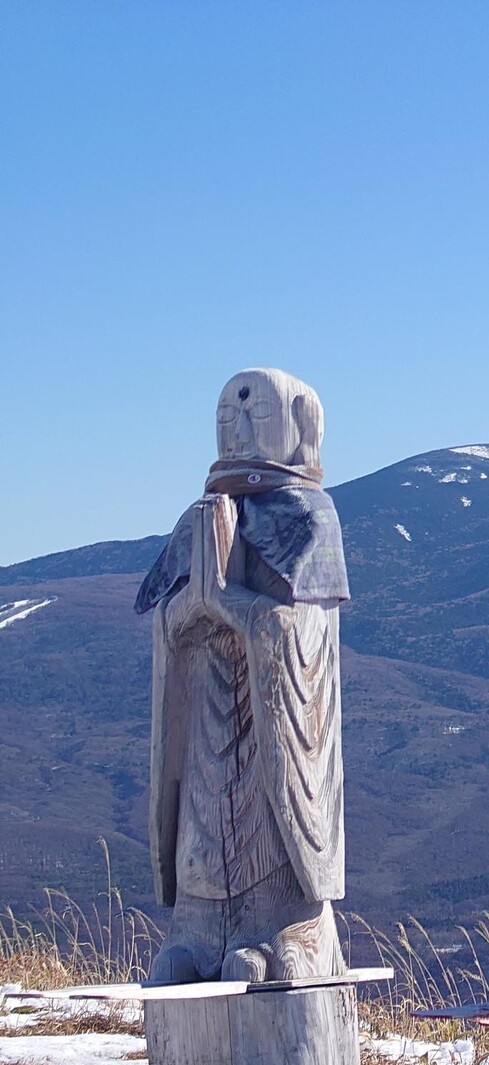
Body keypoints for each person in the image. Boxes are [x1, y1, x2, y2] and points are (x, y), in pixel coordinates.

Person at [135, 368, 349, 983]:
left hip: (271, 730)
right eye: (228, 411)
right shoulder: (199, 519)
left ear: (301, 427)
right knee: (205, 817)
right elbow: (168, 622)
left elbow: (303, 629)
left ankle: (285, 924)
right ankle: (200, 926)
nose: (237, 422)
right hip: (205, 723)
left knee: (269, 821)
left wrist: (229, 603)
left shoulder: (312, 516)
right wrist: (187, 611)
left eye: (257, 412)